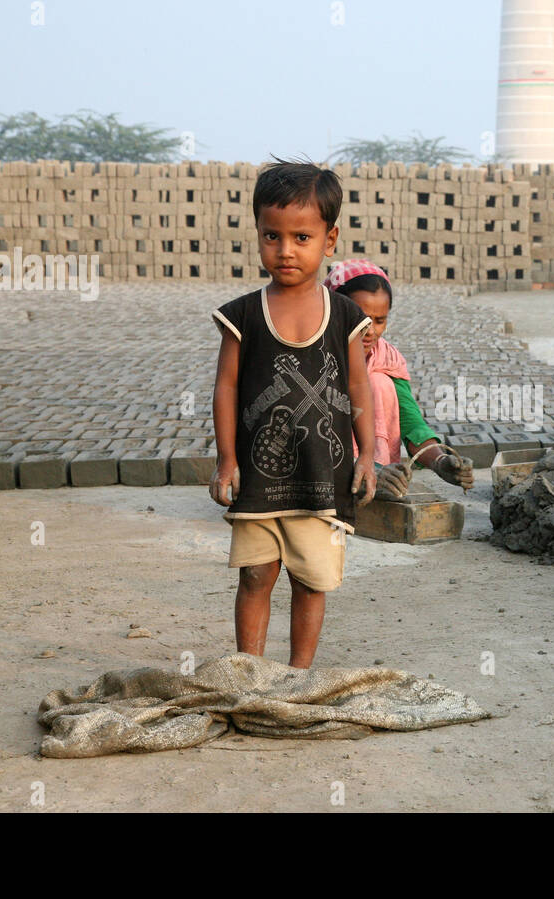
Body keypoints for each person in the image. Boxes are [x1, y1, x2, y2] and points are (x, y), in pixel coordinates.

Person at [208, 159, 377, 669]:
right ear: (258, 233)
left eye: (302, 237)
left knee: (311, 579)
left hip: (323, 476)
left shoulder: (345, 315)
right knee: (256, 575)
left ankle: (299, 676)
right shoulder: (242, 315)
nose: (285, 251)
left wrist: (367, 453)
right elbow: (227, 386)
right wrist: (226, 460)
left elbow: (356, 384)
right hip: (259, 476)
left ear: (329, 239)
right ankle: (251, 674)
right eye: (272, 236)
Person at [325, 258, 474, 499]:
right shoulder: (311, 356)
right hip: (315, 469)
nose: (370, 331)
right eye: (360, 319)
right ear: (334, 312)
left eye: (380, 320)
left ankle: (374, 480)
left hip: (373, 471)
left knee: (379, 383)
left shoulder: (386, 359)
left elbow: (411, 423)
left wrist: (440, 461)